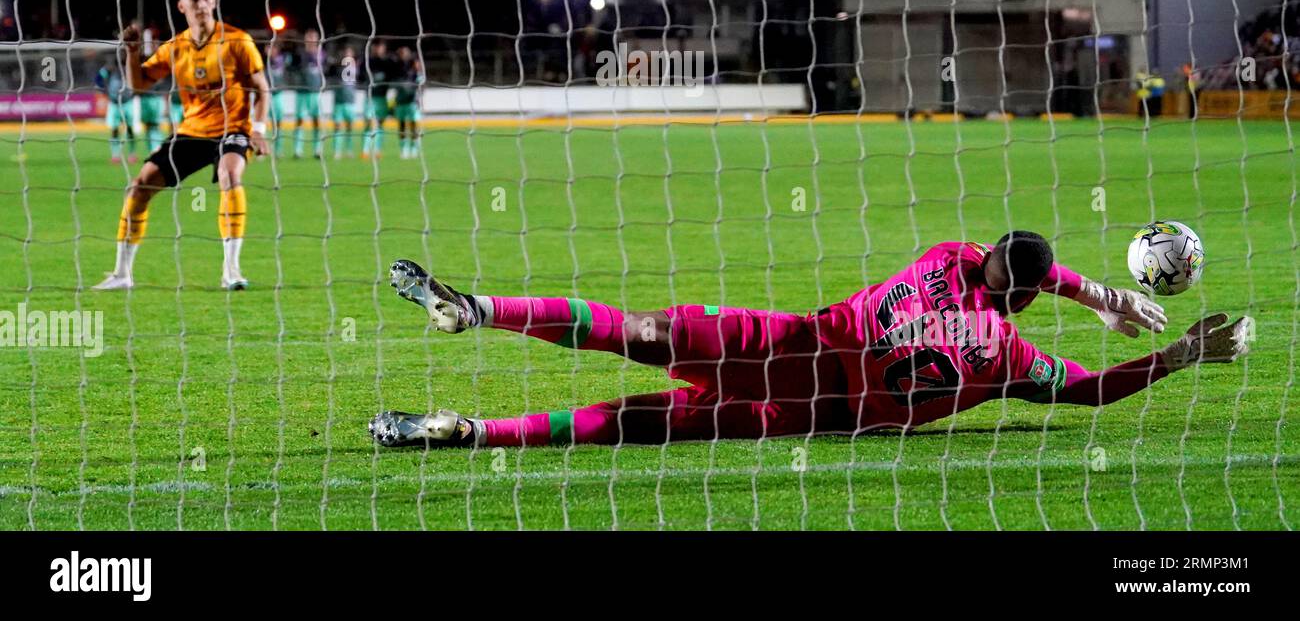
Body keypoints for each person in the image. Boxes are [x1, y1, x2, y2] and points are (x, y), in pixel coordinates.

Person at [368, 232, 1251, 448]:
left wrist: (1092, 290)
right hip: (803, 411)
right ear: (1023, 298)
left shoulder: (945, 258)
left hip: (782, 339)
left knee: (632, 330)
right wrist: (1178, 353)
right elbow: (1090, 389)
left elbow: (1009, 259)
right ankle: (478, 433)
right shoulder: (1009, 358)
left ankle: (479, 307)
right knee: (639, 419)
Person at [93, 0, 271, 292]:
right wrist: (133, 53)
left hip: (234, 129)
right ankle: (122, 274)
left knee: (230, 175)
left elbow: (262, 89)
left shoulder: (237, 41)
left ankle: (231, 270)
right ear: (181, 5)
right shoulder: (175, 47)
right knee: (139, 187)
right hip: (192, 131)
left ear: (214, 0)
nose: (202, 3)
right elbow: (139, 84)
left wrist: (258, 129)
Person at [94, 57, 136, 165]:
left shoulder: (130, 70)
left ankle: (132, 154)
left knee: (130, 129)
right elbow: (98, 78)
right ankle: (115, 155)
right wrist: (103, 90)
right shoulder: (109, 70)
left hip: (128, 103)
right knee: (114, 129)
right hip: (114, 104)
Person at [293, 29, 326, 159]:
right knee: (299, 121)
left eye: (314, 37)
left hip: (316, 92)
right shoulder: (299, 54)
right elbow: (293, 69)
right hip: (302, 92)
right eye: (309, 37)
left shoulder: (322, 54)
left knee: (316, 121)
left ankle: (317, 150)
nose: (311, 39)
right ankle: (297, 150)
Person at [392, 45, 423, 160]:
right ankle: (403, 149)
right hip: (400, 101)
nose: (403, 55)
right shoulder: (396, 67)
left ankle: (414, 148)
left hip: (412, 101)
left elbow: (421, 82)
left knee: (413, 124)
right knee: (401, 125)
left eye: (404, 53)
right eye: (401, 53)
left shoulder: (414, 67)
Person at [362, 39, 391, 159]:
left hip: (382, 98)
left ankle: (377, 150)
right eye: (377, 47)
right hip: (370, 97)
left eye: (381, 47)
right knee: (369, 123)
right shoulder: (367, 61)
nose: (379, 49)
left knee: (380, 125)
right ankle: (365, 150)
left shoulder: (388, 62)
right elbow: (360, 76)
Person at [330, 44, 359, 159]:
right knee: (337, 127)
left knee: (349, 128)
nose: (347, 55)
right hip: (339, 102)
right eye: (345, 53)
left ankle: (349, 150)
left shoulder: (356, 68)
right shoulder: (337, 67)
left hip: (350, 101)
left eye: (349, 53)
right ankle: (337, 151)